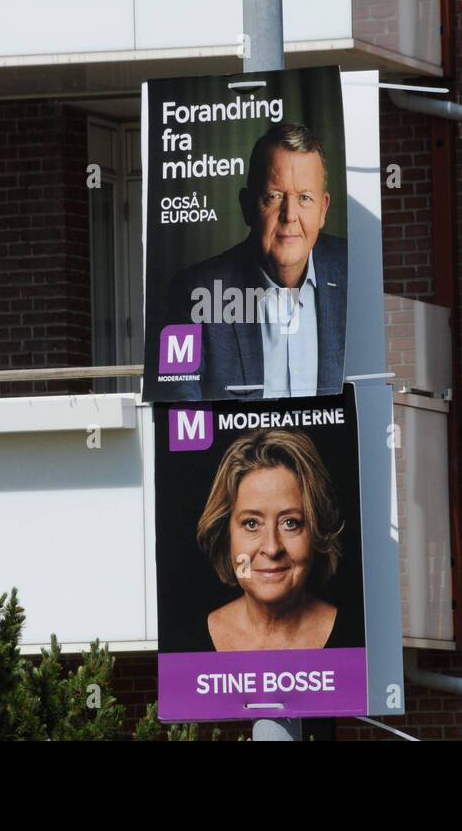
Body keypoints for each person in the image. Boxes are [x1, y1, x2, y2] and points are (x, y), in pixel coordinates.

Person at [163, 123, 347, 400]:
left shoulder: (355, 273)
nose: (289, 215)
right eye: (273, 197)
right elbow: (179, 404)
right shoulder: (194, 292)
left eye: (305, 198)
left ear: (323, 210)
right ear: (247, 205)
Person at [190, 429, 359, 652]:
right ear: (226, 534)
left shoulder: (356, 638)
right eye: (251, 523)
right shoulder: (188, 642)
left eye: (290, 523)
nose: (272, 548)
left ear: (317, 531)